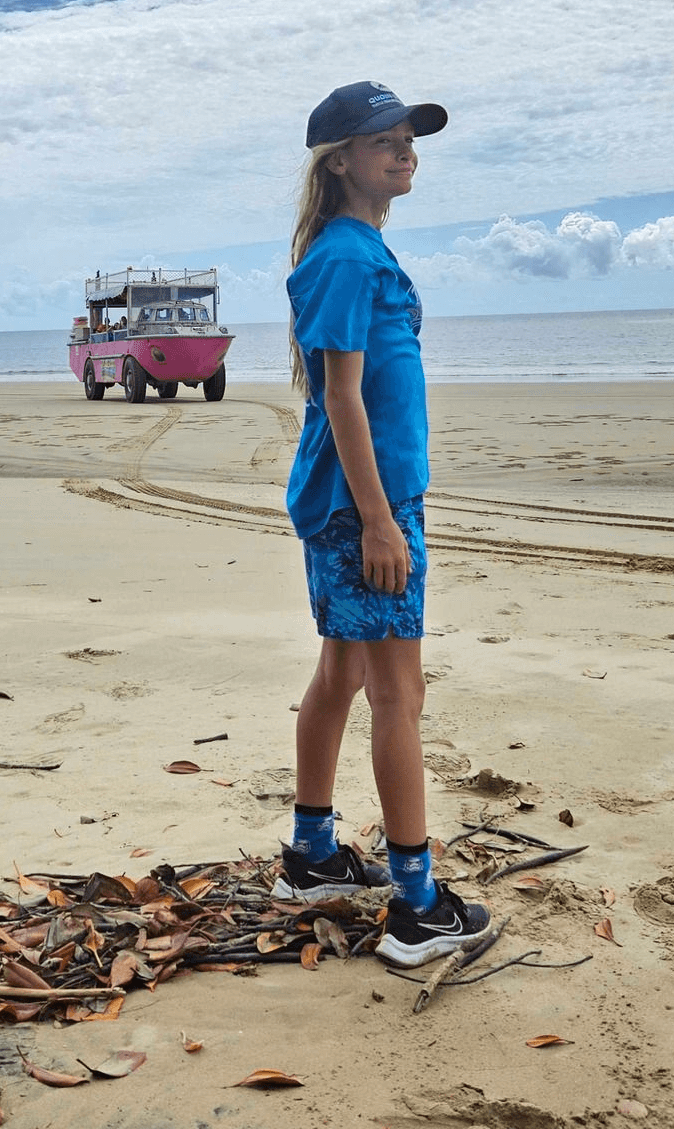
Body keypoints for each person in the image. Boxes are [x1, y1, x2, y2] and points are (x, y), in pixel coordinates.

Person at [272, 80, 491, 967]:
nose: (405, 152)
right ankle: (417, 908)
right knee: (400, 693)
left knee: (345, 675)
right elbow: (343, 396)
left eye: (409, 139)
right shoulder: (345, 258)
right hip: (365, 508)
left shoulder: (353, 252)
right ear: (339, 161)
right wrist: (379, 523)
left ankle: (313, 855)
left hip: (361, 502)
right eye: (384, 141)